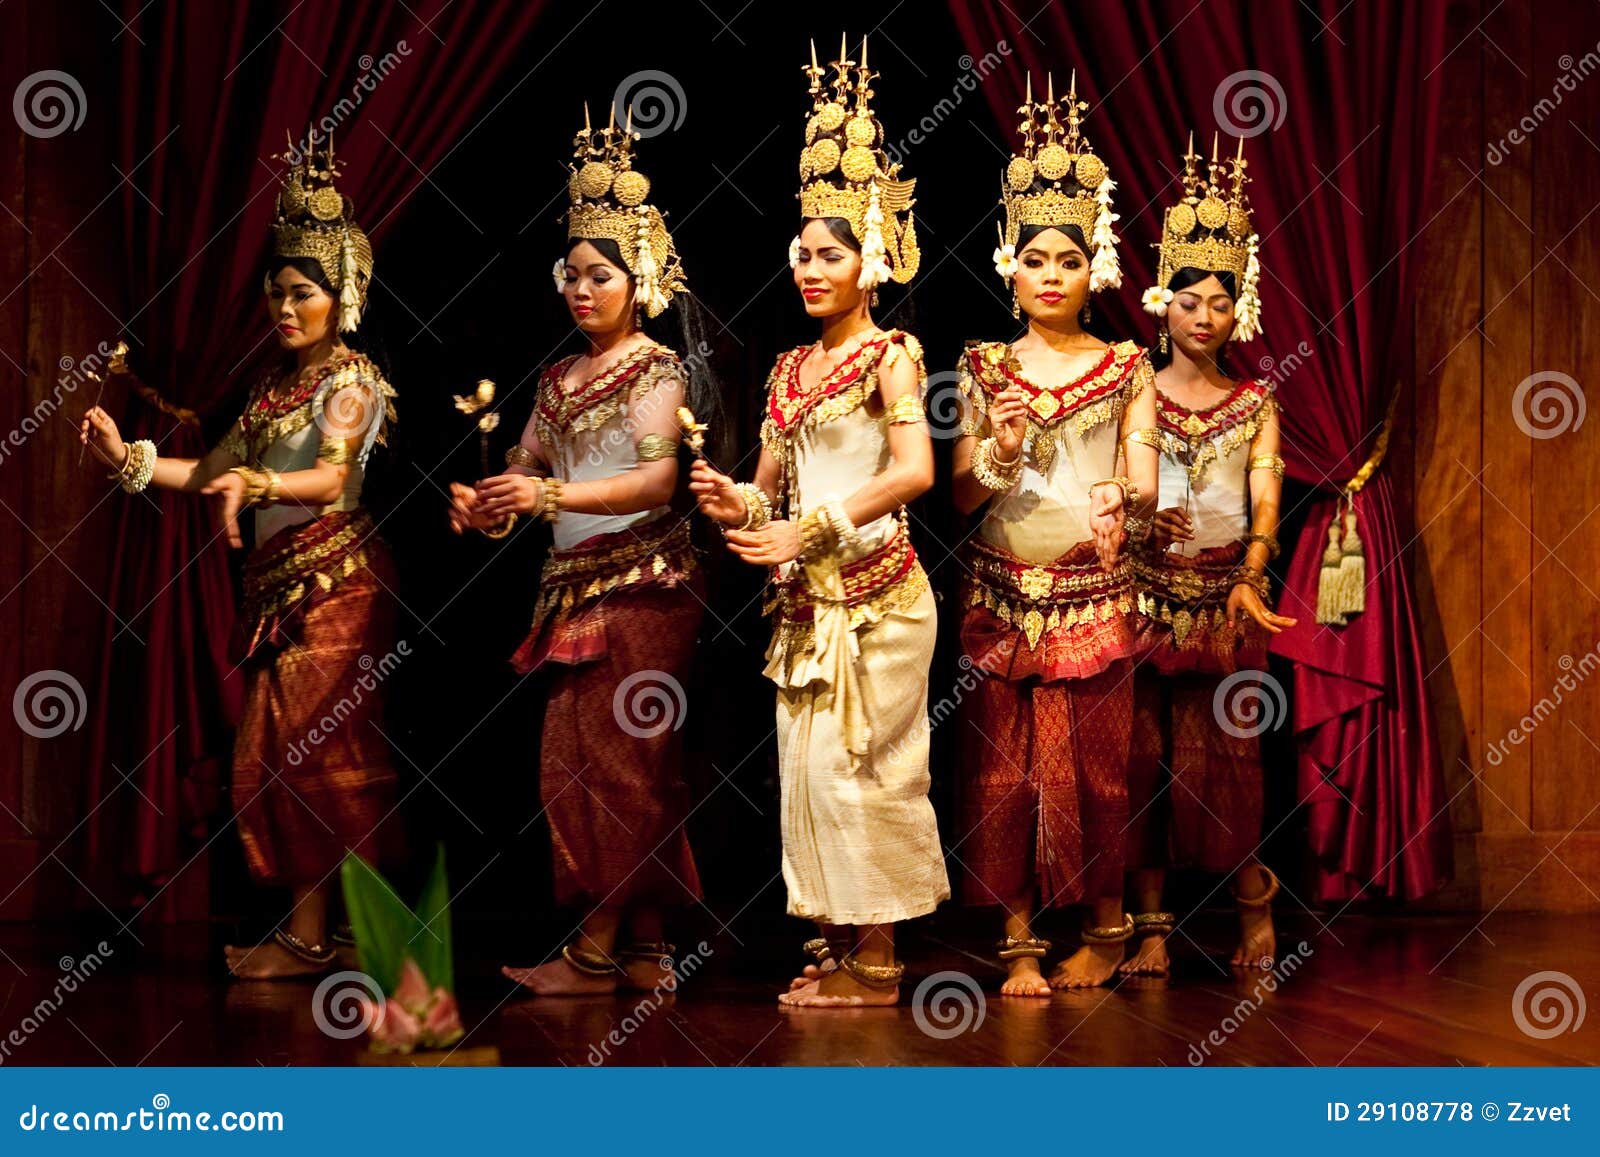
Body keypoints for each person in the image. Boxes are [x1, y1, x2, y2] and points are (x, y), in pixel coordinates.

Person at [80, 133, 401, 978]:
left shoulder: (351, 385)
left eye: (303, 293)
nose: (285, 307)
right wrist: (131, 459)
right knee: (269, 762)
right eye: (276, 292)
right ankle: (319, 935)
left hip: (339, 587)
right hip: (276, 595)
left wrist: (257, 486)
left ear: (343, 294)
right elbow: (212, 468)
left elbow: (331, 480)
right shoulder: (271, 389)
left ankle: (346, 938)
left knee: (324, 760)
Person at [689, 37, 948, 1007]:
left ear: (870, 256)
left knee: (869, 771)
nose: (808, 267)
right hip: (807, 603)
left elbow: (916, 469)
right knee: (810, 774)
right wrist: (735, 501)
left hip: (877, 596)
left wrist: (812, 527)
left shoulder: (891, 353)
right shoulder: (787, 368)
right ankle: (842, 940)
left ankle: (880, 961)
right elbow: (768, 488)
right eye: (799, 252)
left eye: (828, 252)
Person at [449, 105, 714, 996]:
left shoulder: (654, 370)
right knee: (583, 767)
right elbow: (523, 465)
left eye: (601, 274)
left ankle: (596, 951)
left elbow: (653, 485)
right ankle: (646, 947)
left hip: (645, 590)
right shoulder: (558, 378)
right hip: (573, 591)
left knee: (623, 767)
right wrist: (486, 505)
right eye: (572, 274)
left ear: (638, 280)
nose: (582, 289)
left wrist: (549, 493)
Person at [951, 74, 1158, 993]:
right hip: (1001, 586)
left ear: (1095, 269)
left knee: (1098, 769)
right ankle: (1019, 935)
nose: (1048, 275)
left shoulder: (1125, 364)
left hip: (1092, 588)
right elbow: (959, 496)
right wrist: (994, 451)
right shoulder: (983, 364)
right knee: (1003, 774)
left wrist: (1124, 496)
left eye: (1067, 262)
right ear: (1010, 262)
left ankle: (1108, 927)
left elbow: (1144, 471)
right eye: (1033, 257)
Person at [1122, 135, 1296, 977]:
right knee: (1141, 760)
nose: (1202, 315)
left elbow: (1266, 495)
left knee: (1225, 766)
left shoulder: (1256, 401)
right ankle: (1150, 920)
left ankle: (1253, 900)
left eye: (1218, 303)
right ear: (1163, 303)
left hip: (1229, 596)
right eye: (1187, 299)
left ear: (1240, 310)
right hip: (1143, 596)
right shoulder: (1136, 391)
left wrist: (1254, 570)